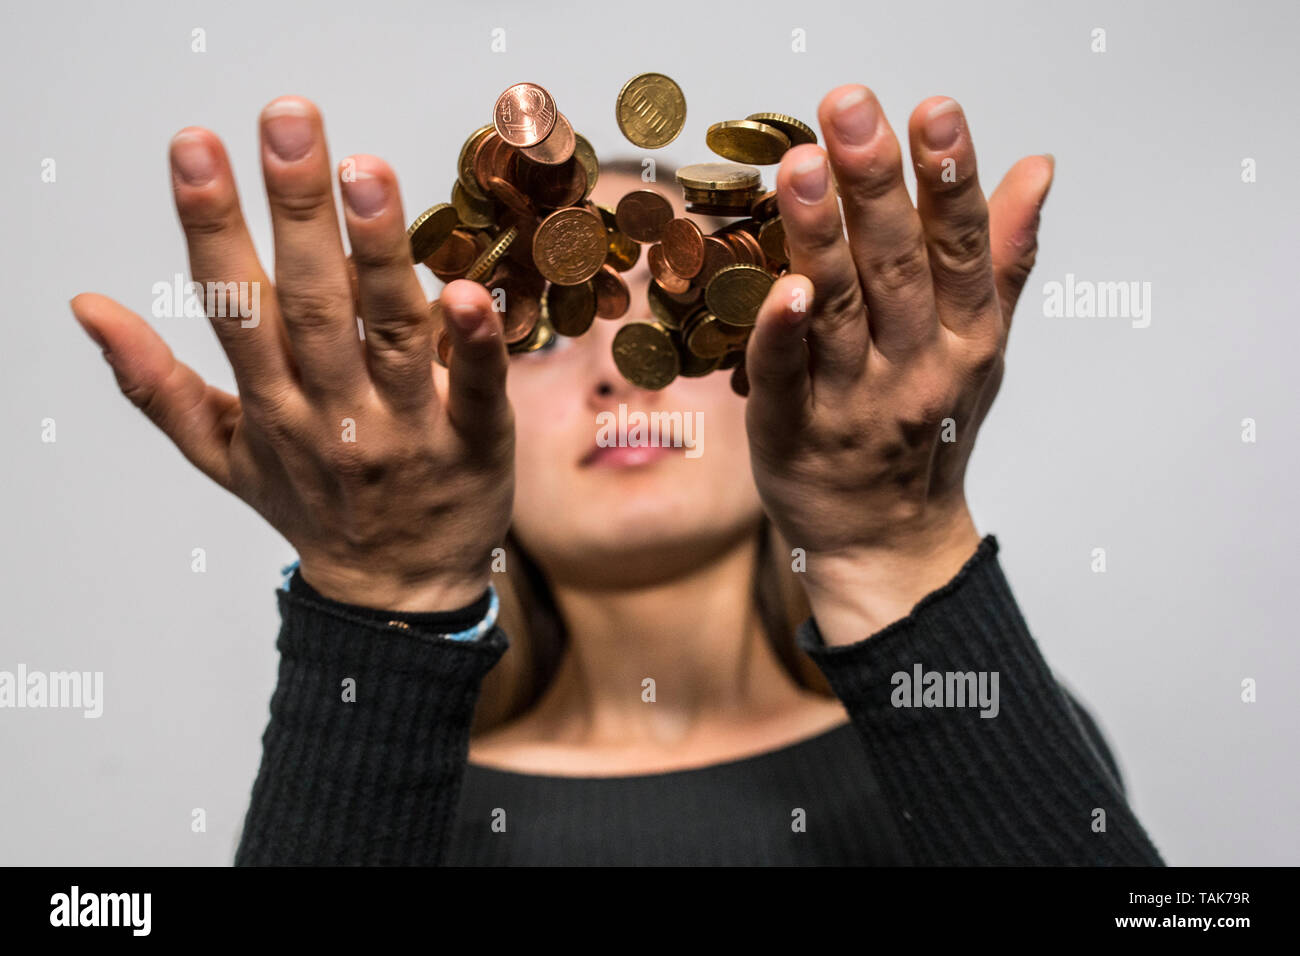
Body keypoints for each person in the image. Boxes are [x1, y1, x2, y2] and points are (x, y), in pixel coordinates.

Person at [69, 85, 1164, 865]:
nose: (618, 378)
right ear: (457, 406)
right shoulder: (383, 778)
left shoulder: (974, 723)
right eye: (549, 333)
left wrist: (894, 557)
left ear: (781, 358)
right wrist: (380, 601)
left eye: (679, 319)